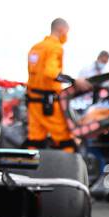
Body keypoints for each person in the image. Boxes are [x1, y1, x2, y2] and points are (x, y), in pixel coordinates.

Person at [26, 19, 89, 150]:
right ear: (62, 30)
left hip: (33, 102)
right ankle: (70, 168)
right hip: (48, 103)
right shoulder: (55, 47)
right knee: (65, 139)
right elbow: (51, 73)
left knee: (35, 140)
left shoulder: (36, 47)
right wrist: (74, 81)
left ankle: (30, 169)